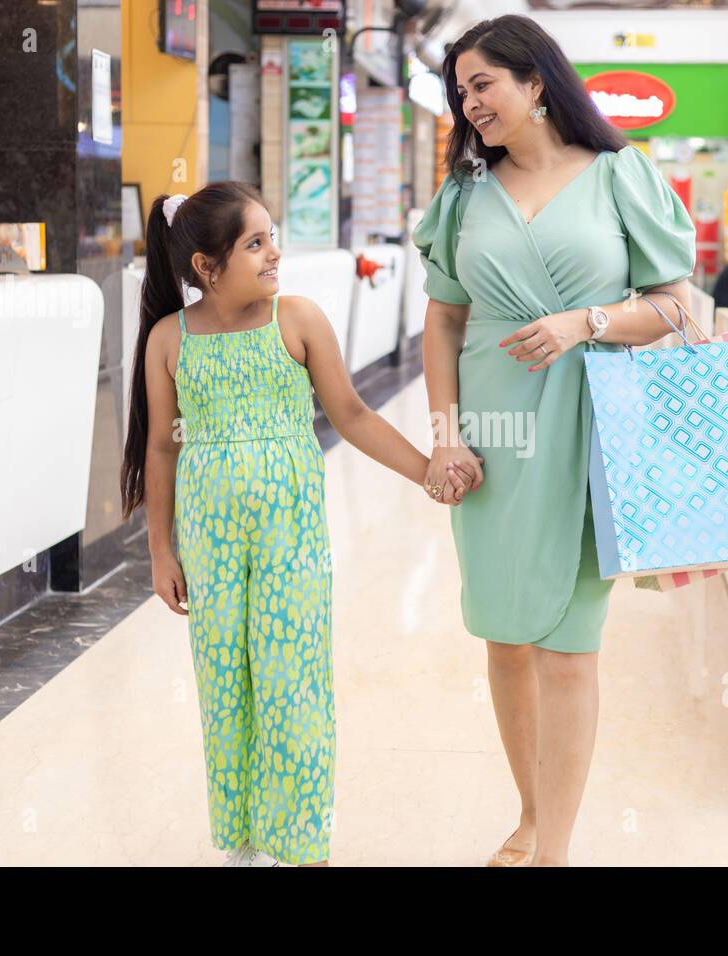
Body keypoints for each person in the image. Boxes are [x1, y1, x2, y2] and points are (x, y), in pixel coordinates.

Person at [412, 13, 696, 867]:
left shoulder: (620, 177)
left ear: (536, 82)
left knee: (569, 647)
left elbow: (680, 304)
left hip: (591, 431)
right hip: (493, 438)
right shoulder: (464, 195)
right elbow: (443, 318)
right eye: (460, 93)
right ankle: (531, 813)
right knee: (505, 633)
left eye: (482, 85)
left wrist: (588, 321)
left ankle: (556, 850)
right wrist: (444, 436)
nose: (470, 106)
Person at [119, 182, 472, 868]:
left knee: (293, 681)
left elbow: (356, 416)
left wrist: (428, 468)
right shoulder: (171, 338)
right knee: (226, 684)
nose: (274, 252)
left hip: (290, 535)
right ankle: (244, 840)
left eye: (271, 235)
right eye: (256, 243)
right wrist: (160, 550)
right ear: (206, 266)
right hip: (208, 537)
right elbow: (161, 447)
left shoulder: (298, 319)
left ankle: (298, 843)